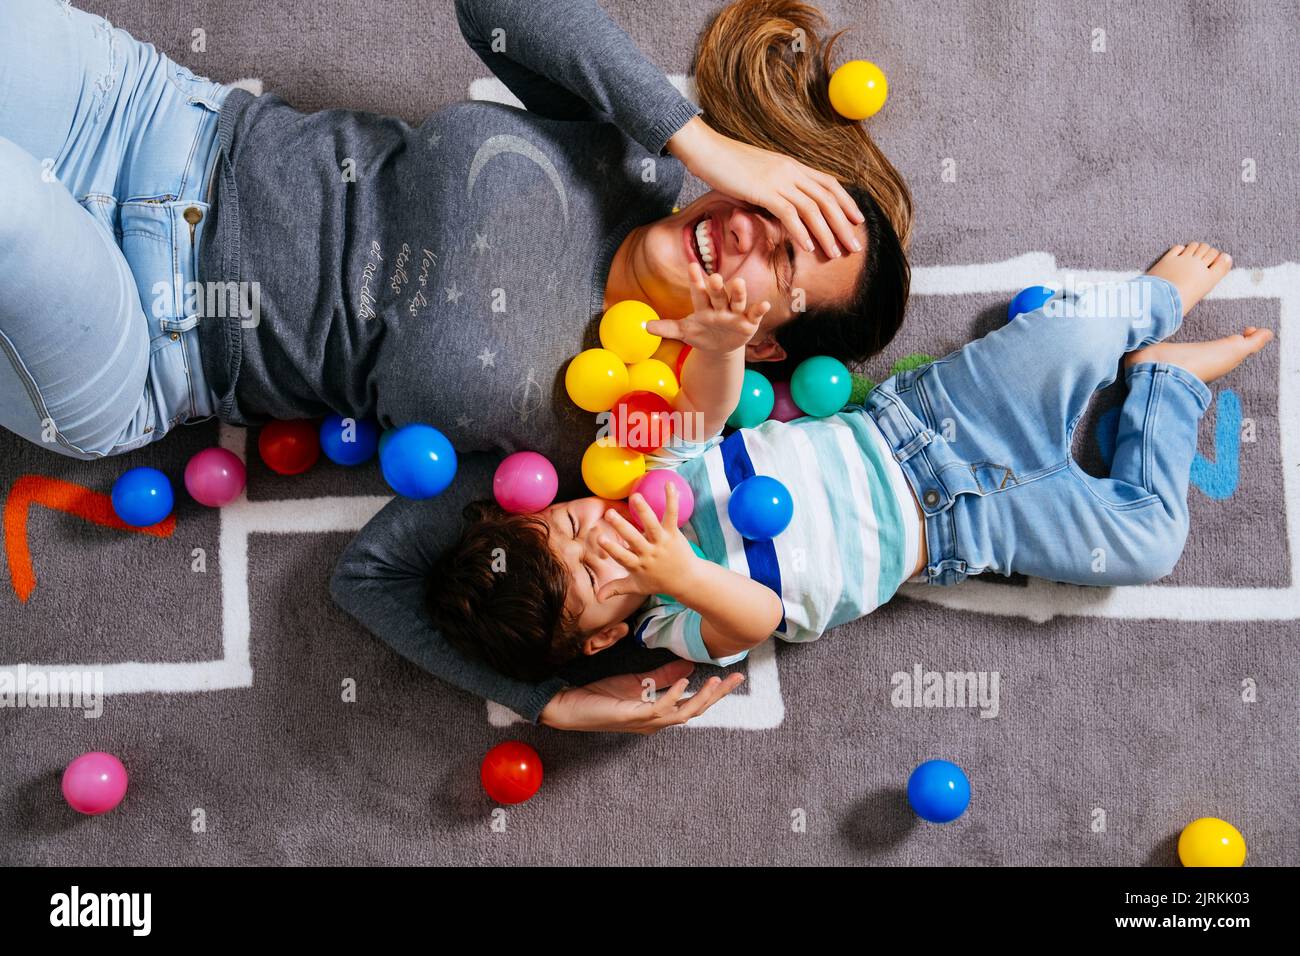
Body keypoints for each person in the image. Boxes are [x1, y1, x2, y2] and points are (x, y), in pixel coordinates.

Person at [0, 0, 911, 733]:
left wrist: (548, 703)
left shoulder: (587, 449)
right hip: (152, 115)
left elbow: (372, 578)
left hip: (147, 339)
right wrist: (693, 137)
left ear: (762, 348)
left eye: (783, 269)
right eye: (775, 204)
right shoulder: (631, 157)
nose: (752, 230)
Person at [426, 244, 1273, 680]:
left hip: (925, 425)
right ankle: (1164, 385)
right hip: (968, 530)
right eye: (595, 575)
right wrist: (679, 571)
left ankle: (1153, 302)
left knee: (1071, 332)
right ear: (606, 631)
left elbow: (706, 413)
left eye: (575, 525)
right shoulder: (672, 625)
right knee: (1148, 546)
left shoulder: (647, 471)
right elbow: (754, 622)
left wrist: (720, 347)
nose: (607, 539)